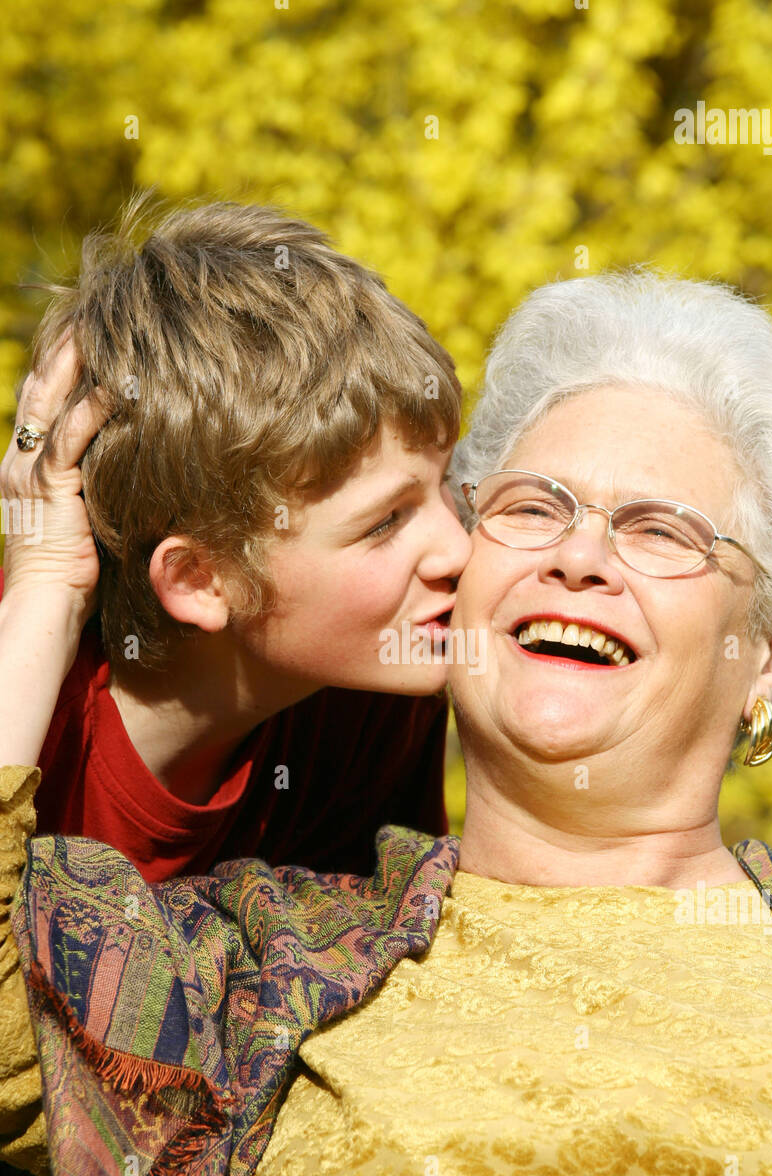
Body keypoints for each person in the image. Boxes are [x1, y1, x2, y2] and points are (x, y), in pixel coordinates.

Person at [3, 270, 772, 1176]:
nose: (579, 555)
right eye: (532, 507)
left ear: (768, 655)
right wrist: (48, 584)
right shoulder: (259, 952)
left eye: (659, 529)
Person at [0, 199, 471, 883]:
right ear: (199, 580)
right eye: (385, 522)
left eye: (447, 483)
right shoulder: (30, 692)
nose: (458, 549)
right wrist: (40, 580)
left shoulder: (375, 696)